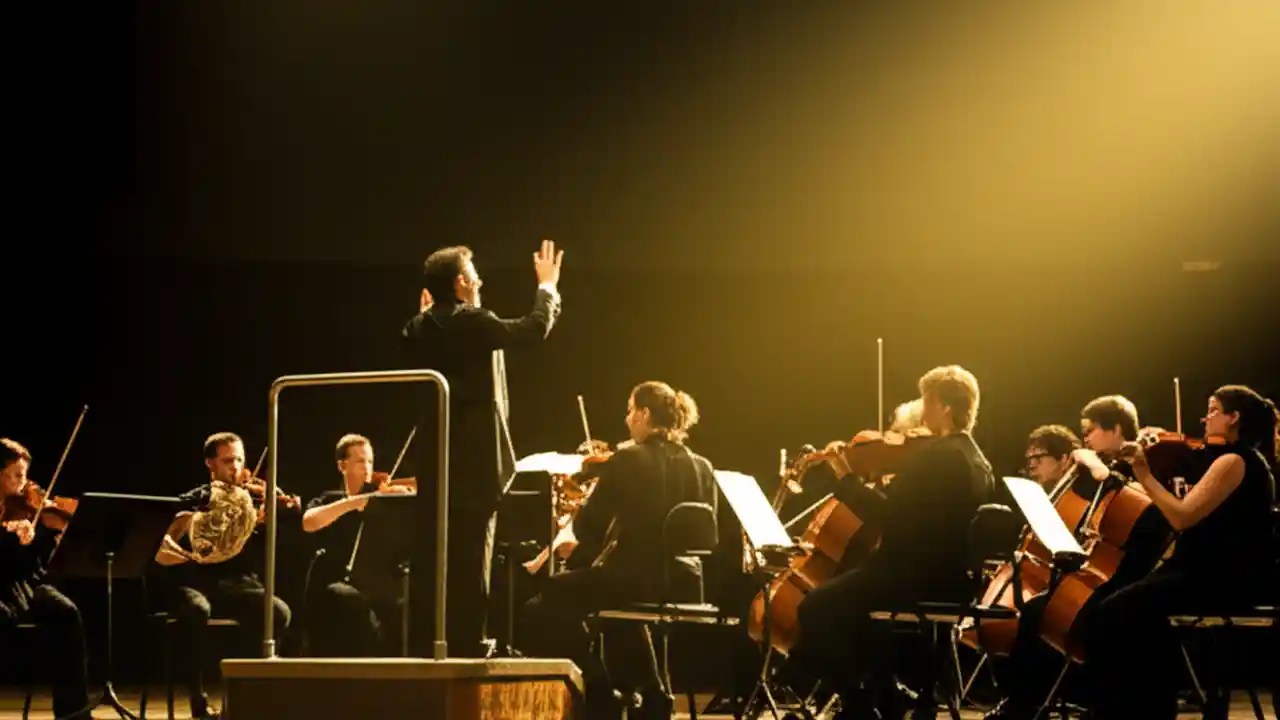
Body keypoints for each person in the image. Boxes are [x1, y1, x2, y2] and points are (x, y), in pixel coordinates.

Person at [790, 365, 995, 718]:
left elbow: (890, 516)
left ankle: (856, 704)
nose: (922, 409)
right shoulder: (979, 461)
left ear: (945, 407)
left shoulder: (937, 457)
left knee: (816, 607)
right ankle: (883, 691)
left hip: (911, 574)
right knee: (857, 613)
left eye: (927, 401)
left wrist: (847, 480)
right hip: (953, 580)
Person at [400, 239, 563, 657]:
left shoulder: (418, 326)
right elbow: (532, 329)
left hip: (438, 461)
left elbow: (444, 334)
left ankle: (429, 643)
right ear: (459, 282)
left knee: (437, 556)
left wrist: (450, 305)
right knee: (473, 555)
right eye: (473, 274)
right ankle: (471, 642)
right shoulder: (473, 322)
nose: (480, 279)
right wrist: (547, 287)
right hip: (475, 462)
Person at [519, 381, 716, 718]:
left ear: (644, 413)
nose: (627, 419)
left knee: (545, 603)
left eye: (629, 411)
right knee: (620, 614)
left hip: (634, 578)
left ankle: (599, 690)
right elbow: (707, 535)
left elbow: (587, 528)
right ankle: (654, 696)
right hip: (685, 581)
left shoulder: (629, 459)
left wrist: (581, 512)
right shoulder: (701, 465)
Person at [1083, 386, 1277, 719]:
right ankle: (1141, 707)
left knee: (1113, 614)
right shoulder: (1221, 459)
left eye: (1214, 409)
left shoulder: (1234, 460)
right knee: (1122, 609)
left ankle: (1135, 710)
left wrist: (1143, 473)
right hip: (1199, 570)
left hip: (1220, 576)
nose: (1205, 417)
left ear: (1234, 418)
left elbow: (1182, 515)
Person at [984, 396, 1174, 719]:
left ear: (1116, 429)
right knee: (1037, 608)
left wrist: (1098, 468)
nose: (1085, 439)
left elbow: (1143, 507)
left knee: (1051, 610)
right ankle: (1026, 701)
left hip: (1134, 569)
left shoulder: (1145, 461)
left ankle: (1040, 703)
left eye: (1091, 430)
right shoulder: (1108, 467)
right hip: (1106, 566)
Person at [151, 432, 292, 720]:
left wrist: (273, 515)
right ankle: (197, 698)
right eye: (228, 460)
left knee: (277, 612)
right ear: (210, 464)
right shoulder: (196, 499)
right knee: (196, 610)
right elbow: (162, 541)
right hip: (194, 581)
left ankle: (248, 698)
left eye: (240, 459)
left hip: (237, 585)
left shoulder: (253, 500)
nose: (237, 467)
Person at [0, 438, 91, 720]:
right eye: (16, 475)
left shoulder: (29, 506)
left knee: (66, 612)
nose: (24, 482)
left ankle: (73, 712)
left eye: (24, 474)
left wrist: (47, 536)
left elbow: (38, 561)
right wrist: (6, 532)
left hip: (25, 583)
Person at [302, 433, 412, 656]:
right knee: (348, 601)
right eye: (361, 461)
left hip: (379, 581)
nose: (368, 468)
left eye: (370, 461)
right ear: (342, 466)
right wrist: (354, 502)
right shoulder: (331, 498)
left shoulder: (381, 500)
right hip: (339, 580)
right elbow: (309, 522)